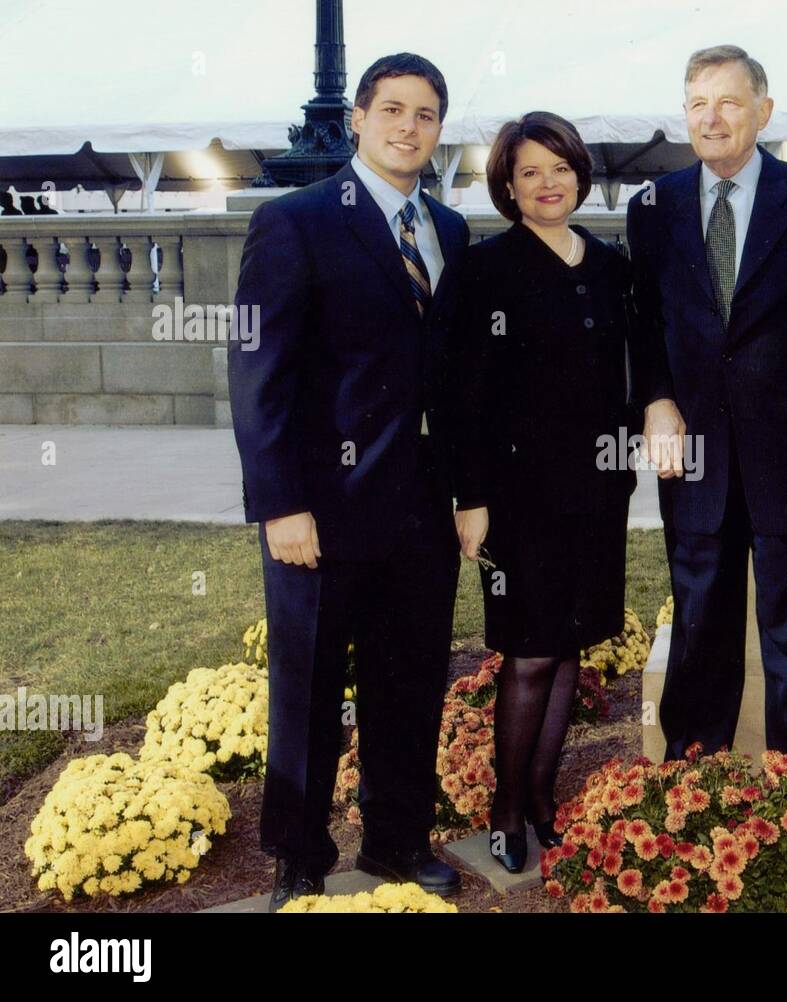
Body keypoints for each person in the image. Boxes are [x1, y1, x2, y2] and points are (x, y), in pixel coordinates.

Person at [626, 45, 787, 854]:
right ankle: (693, 801)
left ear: (763, 112)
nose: (711, 117)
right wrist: (656, 402)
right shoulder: (655, 206)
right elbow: (642, 328)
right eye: (697, 101)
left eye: (729, 102)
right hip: (696, 464)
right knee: (700, 631)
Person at [228, 52, 469, 911]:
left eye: (427, 114)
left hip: (419, 510)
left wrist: (467, 491)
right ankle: (297, 857)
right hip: (320, 513)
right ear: (359, 118)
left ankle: (399, 840)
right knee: (309, 689)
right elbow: (260, 372)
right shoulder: (293, 222)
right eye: (394, 110)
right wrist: (280, 504)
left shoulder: (450, 228)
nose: (410, 126)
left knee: (409, 683)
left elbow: (454, 376)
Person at [451, 112, 637, 874]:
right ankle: (503, 806)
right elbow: (459, 394)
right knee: (528, 654)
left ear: (579, 175)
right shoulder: (484, 269)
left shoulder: (610, 266)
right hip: (517, 498)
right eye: (529, 172)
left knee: (568, 652)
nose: (547, 183)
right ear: (508, 185)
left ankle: (539, 799)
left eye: (558, 168)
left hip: (596, 493)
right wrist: (471, 496)